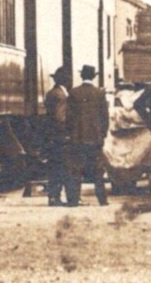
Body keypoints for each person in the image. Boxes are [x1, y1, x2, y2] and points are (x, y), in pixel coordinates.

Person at [63, 65, 110, 207]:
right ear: (94, 76)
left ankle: (73, 200)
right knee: (98, 170)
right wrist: (102, 134)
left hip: (77, 138)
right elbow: (105, 118)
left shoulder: (73, 93)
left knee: (75, 169)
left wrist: (70, 134)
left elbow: (69, 117)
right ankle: (102, 199)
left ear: (82, 76)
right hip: (95, 138)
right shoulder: (99, 93)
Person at [42, 66, 72, 205]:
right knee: (61, 167)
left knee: (54, 166)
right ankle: (55, 197)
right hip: (60, 137)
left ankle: (53, 196)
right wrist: (66, 133)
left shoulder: (51, 93)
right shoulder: (61, 95)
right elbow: (60, 117)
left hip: (51, 136)